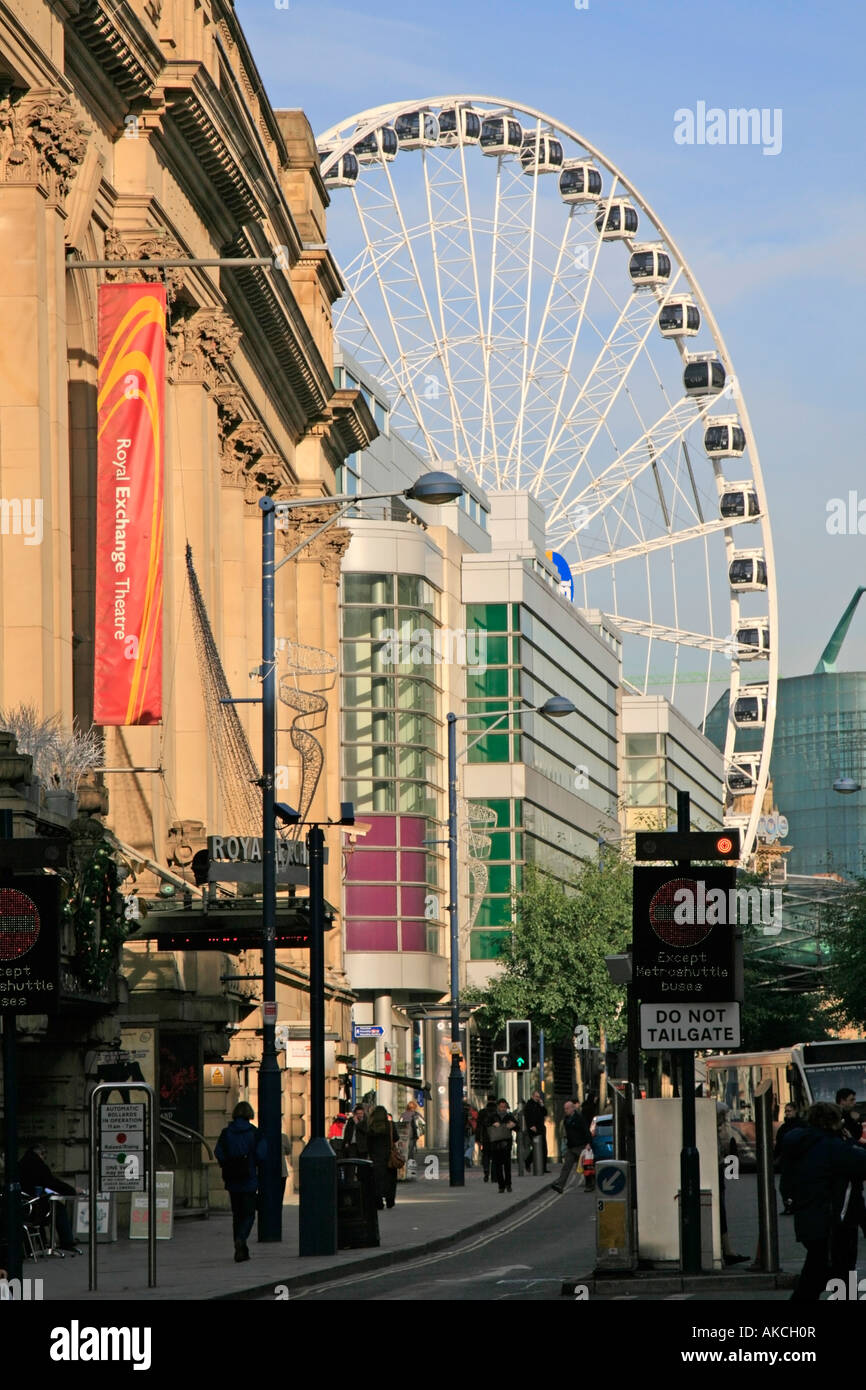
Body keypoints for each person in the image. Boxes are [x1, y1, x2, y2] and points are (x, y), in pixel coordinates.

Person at [780, 1101, 866, 1301]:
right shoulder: (834, 1146)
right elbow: (860, 1162)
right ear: (835, 1122)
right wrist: (850, 1141)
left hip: (809, 1218)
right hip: (834, 1221)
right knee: (834, 1273)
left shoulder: (800, 1144)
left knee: (817, 1271)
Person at [215, 1101, 265, 1263]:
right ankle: (241, 1239)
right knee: (249, 1213)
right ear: (250, 1114)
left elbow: (218, 1152)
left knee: (237, 1214)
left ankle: (240, 1248)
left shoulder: (226, 1132)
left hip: (232, 1179)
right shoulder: (255, 1133)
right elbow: (261, 1155)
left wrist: (228, 1163)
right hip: (249, 1178)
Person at [19, 1143, 82, 1252]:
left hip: (24, 1206)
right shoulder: (38, 1165)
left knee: (46, 1212)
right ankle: (67, 1241)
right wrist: (72, 1190)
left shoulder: (20, 1164)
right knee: (59, 1209)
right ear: (40, 1154)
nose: (44, 1159)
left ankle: (43, 1243)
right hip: (36, 1207)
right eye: (44, 1156)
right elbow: (52, 1183)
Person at [831, 1088, 865, 1279]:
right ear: (842, 1101)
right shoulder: (840, 1124)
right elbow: (853, 1147)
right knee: (849, 1225)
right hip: (846, 1187)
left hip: (849, 1187)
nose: (854, 1102)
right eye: (851, 1099)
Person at [716, 1103, 748, 1265]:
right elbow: (726, 1144)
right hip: (717, 1167)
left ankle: (724, 1248)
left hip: (718, 1166)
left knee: (719, 1207)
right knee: (719, 1207)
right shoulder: (719, 1130)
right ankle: (726, 1249)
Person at [552, 1100, 591, 1194]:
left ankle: (590, 1185)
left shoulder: (580, 1118)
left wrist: (588, 1143)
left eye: (567, 1108)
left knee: (585, 1167)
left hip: (581, 1146)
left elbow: (586, 1131)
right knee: (566, 1166)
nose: (565, 1110)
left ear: (573, 1108)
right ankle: (560, 1185)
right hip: (571, 1147)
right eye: (565, 1109)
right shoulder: (566, 1119)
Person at [774, 1103, 807, 1215]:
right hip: (787, 1162)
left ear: (796, 1111)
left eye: (790, 1111)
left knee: (797, 1185)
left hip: (800, 1160)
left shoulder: (802, 1125)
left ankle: (796, 1205)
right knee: (785, 1186)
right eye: (786, 1111)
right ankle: (789, 1205)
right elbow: (779, 1145)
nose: (788, 1113)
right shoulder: (783, 1128)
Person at [366, 1105, 400, 1210]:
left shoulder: (371, 1128)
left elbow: (368, 1143)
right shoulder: (390, 1125)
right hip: (389, 1156)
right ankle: (390, 1201)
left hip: (375, 1158)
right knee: (390, 1180)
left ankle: (379, 1203)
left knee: (377, 1181)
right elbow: (396, 1137)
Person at [487, 1099, 517, 1193]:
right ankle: (501, 1186)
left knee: (507, 1166)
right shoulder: (493, 1116)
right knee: (498, 1166)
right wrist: (493, 1124)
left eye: (504, 1107)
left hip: (506, 1144)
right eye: (501, 1107)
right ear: (498, 1107)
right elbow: (486, 1125)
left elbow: (517, 1127)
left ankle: (508, 1184)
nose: (503, 1109)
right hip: (495, 1144)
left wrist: (513, 1125)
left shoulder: (509, 1116)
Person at [523, 1090, 548, 1173]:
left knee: (543, 1148)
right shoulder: (529, 1105)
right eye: (536, 1097)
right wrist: (531, 1126)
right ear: (532, 1096)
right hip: (533, 1129)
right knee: (537, 1147)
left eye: (539, 1097)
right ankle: (528, 1161)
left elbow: (545, 1113)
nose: (538, 1098)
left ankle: (543, 1167)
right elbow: (528, 1116)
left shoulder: (538, 1105)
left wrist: (542, 1105)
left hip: (541, 1128)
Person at [476, 1095, 499, 1183]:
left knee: (486, 1155)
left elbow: (479, 1127)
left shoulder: (482, 1112)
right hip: (496, 1138)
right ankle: (494, 1176)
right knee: (495, 1157)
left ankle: (486, 1171)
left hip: (486, 1138)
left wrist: (478, 1139)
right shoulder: (497, 1112)